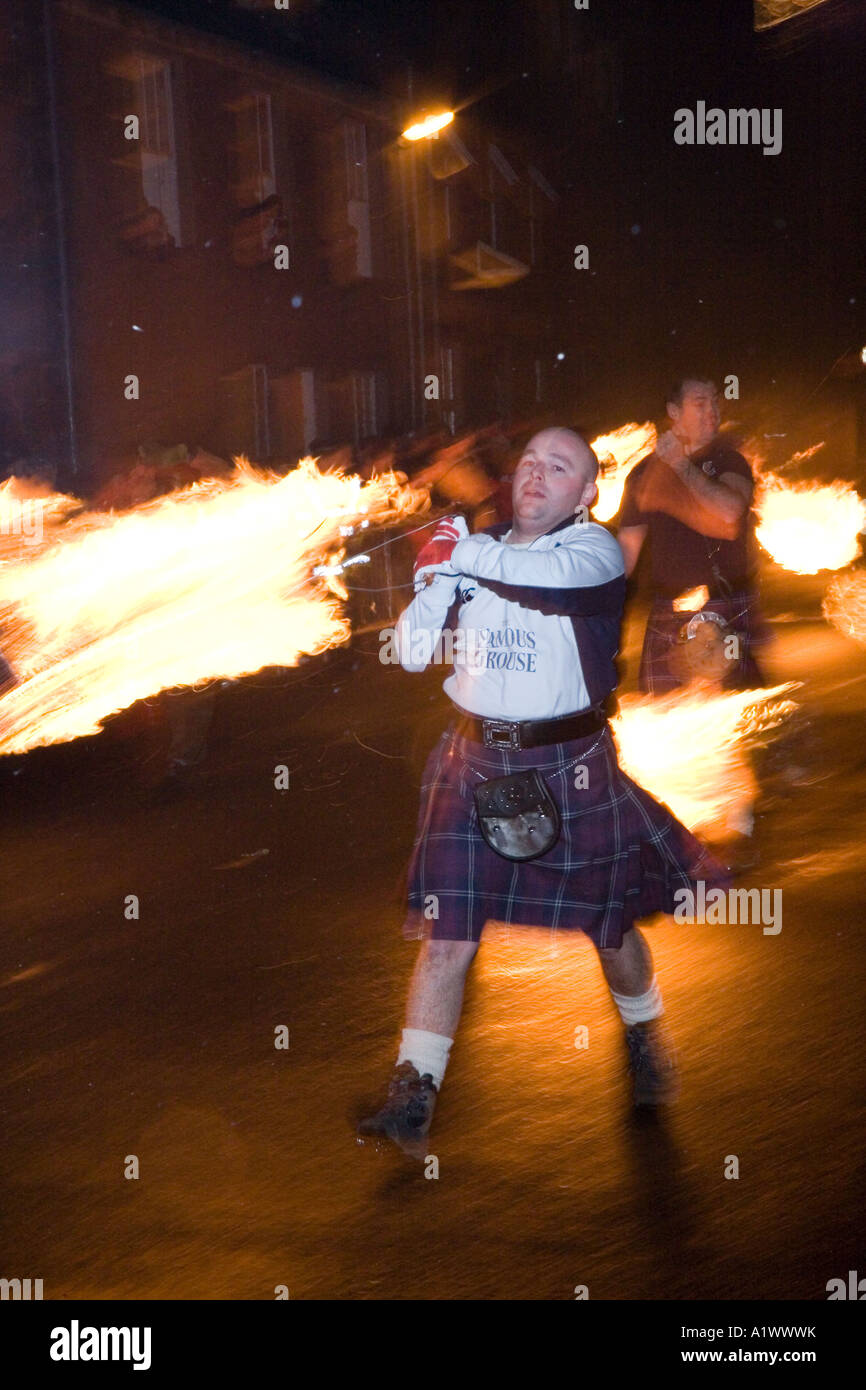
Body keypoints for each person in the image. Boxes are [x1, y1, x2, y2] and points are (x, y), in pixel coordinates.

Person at [358, 427, 729, 1155]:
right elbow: (406, 654)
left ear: (586, 492)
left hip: (571, 766)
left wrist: (456, 551)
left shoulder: (591, 554)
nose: (536, 475)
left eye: (558, 467)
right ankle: (413, 1093)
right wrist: (435, 580)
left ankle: (644, 1033)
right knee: (448, 935)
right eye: (529, 462)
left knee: (612, 928)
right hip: (472, 762)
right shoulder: (473, 548)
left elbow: (546, 584)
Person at [616, 378, 766, 694]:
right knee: (665, 715)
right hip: (669, 608)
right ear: (674, 411)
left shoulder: (729, 461)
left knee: (739, 715)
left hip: (725, 602)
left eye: (714, 401)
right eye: (700, 403)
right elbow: (626, 552)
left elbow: (729, 513)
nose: (712, 410)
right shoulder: (643, 473)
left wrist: (680, 466)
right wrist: (602, 605)